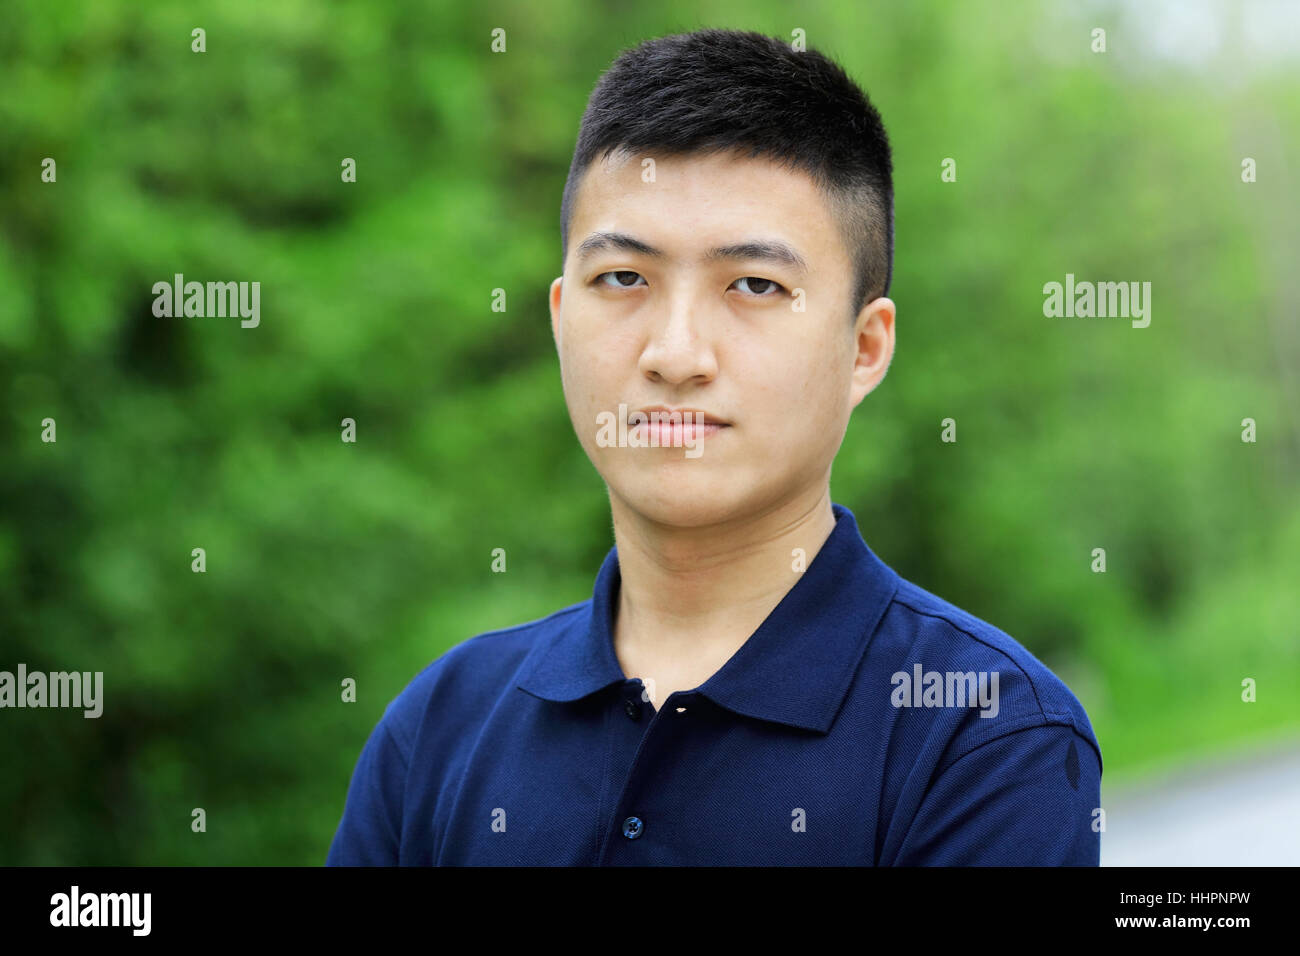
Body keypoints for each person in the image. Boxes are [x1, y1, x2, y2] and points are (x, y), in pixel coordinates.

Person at [327, 27, 1101, 866]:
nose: (676, 354)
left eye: (755, 286)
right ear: (560, 320)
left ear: (865, 348)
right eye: (623, 278)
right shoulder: (440, 728)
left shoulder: (984, 733)